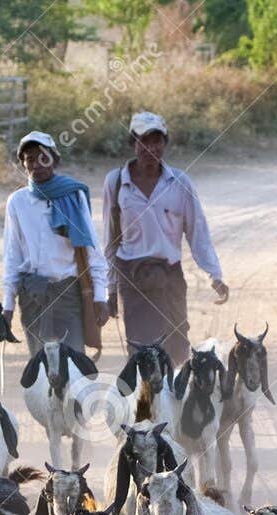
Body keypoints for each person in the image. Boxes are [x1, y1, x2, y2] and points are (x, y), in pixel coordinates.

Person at [102, 111, 228, 365]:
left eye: (157, 141)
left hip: (170, 278)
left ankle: (174, 405)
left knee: (177, 352)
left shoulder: (180, 182)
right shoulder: (115, 183)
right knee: (142, 356)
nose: (151, 148)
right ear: (132, 143)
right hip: (133, 279)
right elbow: (110, 240)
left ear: (165, 143)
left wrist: (214, 275)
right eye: (144, 141)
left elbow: (198, 233)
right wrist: (111, 288)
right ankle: (144, 405)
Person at [2, 130, 109, 357]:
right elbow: (13, 256)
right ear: (23, 164)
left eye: (44, 157)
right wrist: (8, 304)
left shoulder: (73, 196)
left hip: (68, 293)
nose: (37, 164)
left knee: (74, 363)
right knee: (43, 369)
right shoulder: (17, 202)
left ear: (55, 161)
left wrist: (100, 296)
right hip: (33, 296)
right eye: (30, 159)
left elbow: (91, 250)